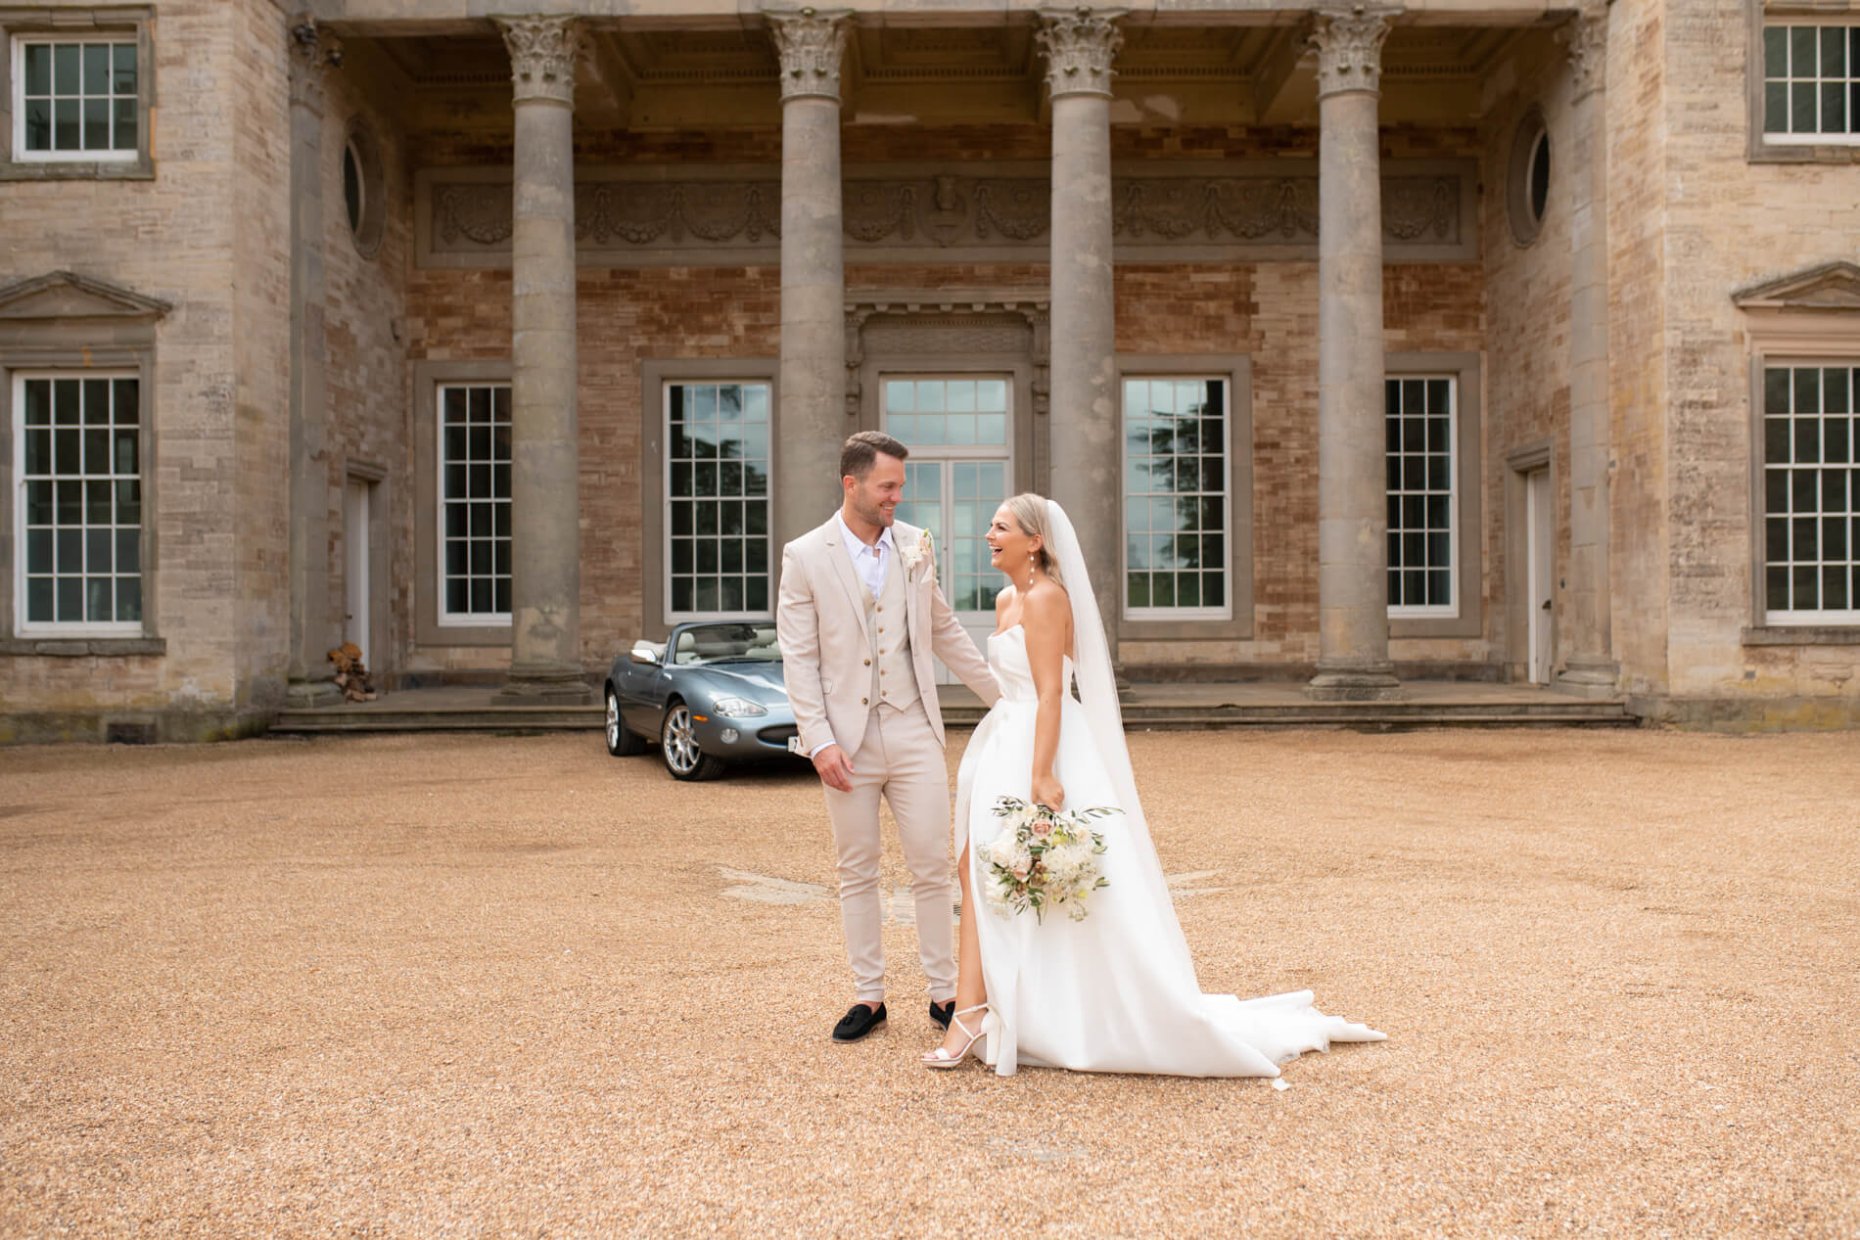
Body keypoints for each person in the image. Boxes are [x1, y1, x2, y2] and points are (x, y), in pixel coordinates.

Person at [924, 494, 1384, 1075]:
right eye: (991, 525)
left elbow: (1050, 693)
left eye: (1001, 527)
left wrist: (1042, 773)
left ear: (1034, 541)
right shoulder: (1006, 599)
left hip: (1042, 745)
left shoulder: (1046, 598)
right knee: (977, 869)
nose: (989, 534)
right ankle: (987, 1007)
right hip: (1003, 741)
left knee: (1008, 872)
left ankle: (980, 1014)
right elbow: (1014, 689)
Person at [776, 432, 1002, 1044]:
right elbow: (799, 657)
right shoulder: (805, 555)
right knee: (856, 868)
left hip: (913, 728)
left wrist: (1006, 700)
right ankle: (868, 996)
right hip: (844, 741)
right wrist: (818, 741)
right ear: (850, 484)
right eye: (887, 486)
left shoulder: (914, 545)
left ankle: (945, 992)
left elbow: (944, 629)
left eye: (899, 486)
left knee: (932, 863)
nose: (897, 497)